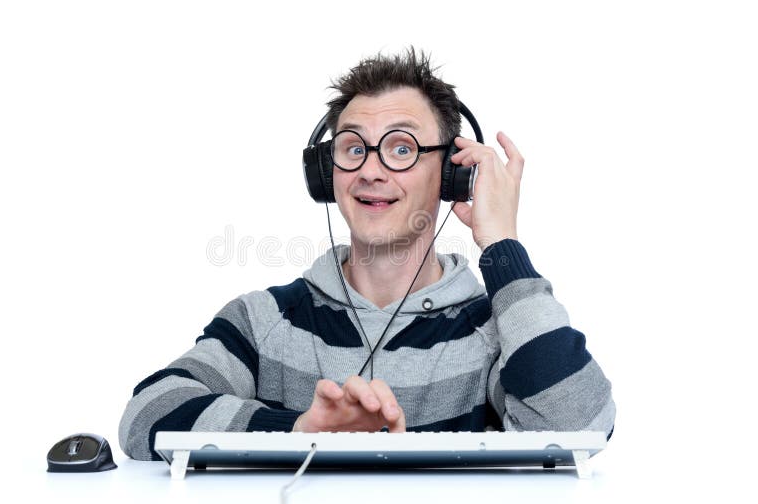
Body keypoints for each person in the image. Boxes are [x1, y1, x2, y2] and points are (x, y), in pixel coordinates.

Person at [119, 48, 615, 461]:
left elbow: (577, 426)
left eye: (401, 149)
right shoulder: (264, 319)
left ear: (452, 175)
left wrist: (502, 243)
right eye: (354, 148)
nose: (371, 171)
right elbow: (147, 416)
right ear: (326, 174)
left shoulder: (496, 331)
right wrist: (297, 431)